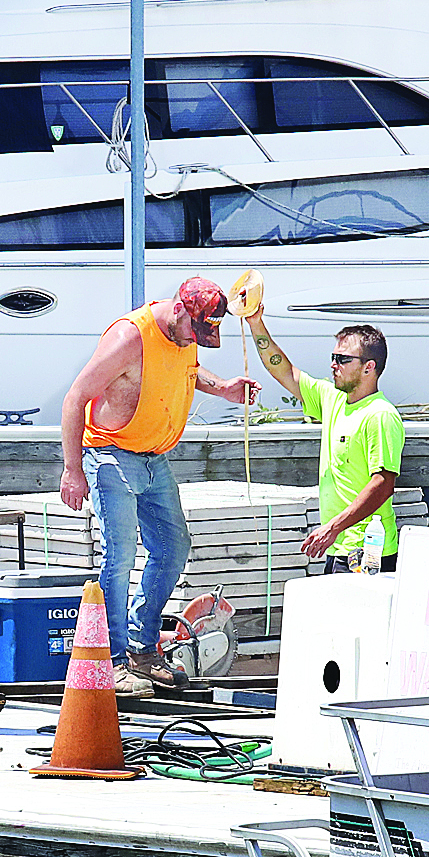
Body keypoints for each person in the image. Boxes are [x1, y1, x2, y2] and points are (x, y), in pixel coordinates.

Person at [58, 279, 259, 696]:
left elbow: (187, 368)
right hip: (111, 454)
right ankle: (113, 661)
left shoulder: (186, 334)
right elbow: (76, 396)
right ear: (180, 310)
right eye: (197, 331)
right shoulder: (130, 337)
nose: (196, 342)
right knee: (120, 555)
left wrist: (223, 388)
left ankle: (142, 648)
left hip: (155, 459)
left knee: (173, 547)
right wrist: (72, 469)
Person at [236, 303, 404, 573]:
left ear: (368, 367)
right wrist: (256, 323)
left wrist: (333, 528)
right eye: (333, 357)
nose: (333, 365)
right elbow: (283, 370)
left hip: (369, 551)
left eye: (343, 359)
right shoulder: (332, 398)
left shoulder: (380, 415)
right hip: (339, 547)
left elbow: (383, 484)